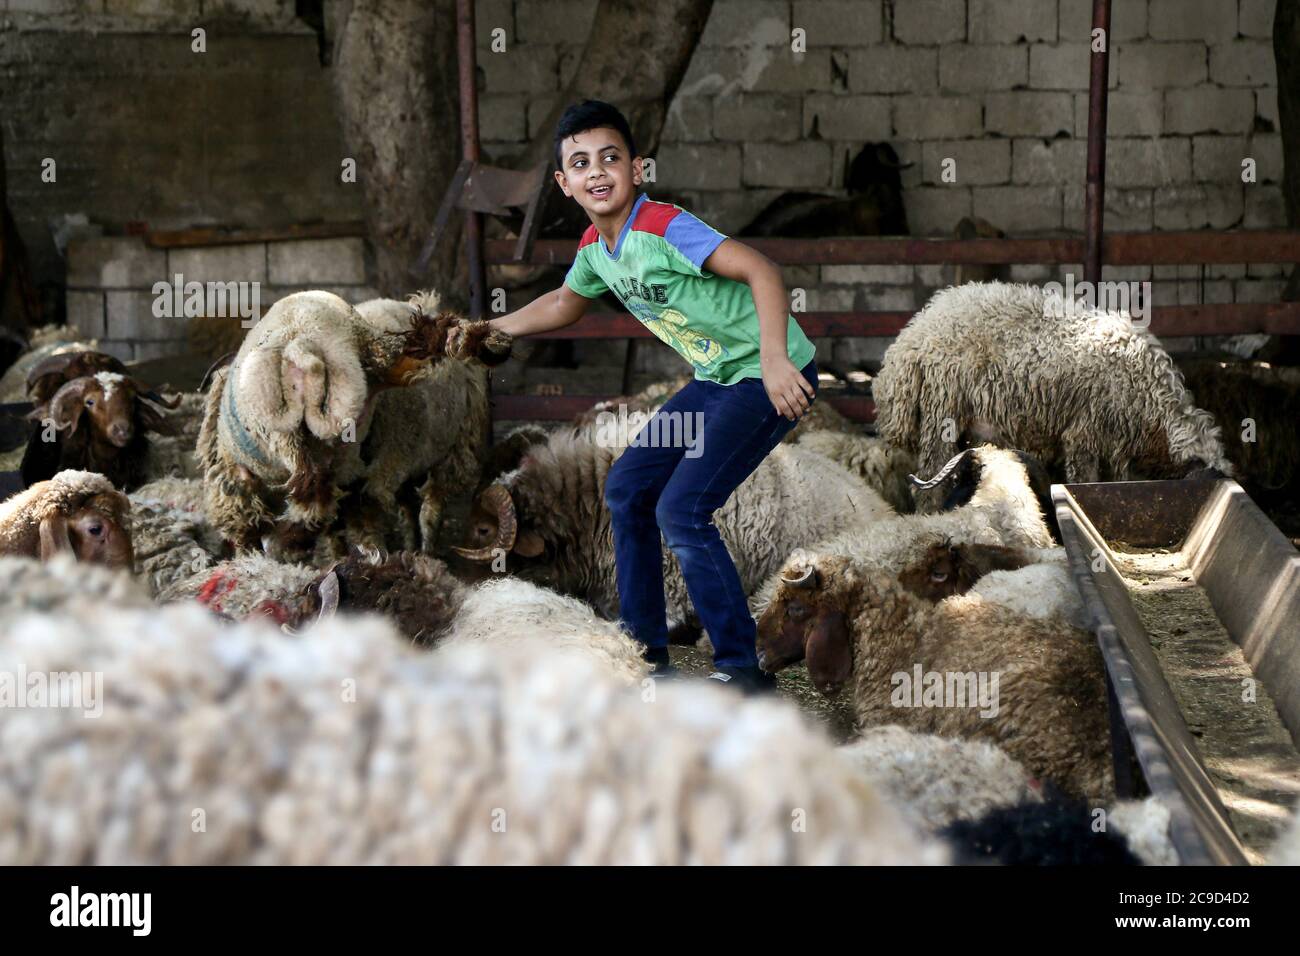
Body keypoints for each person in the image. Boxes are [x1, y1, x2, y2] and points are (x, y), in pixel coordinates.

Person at [469, 99, 818, 694]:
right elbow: (561, 304)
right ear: (564, 182)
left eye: (611, 157)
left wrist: (776, 358)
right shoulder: (594, 251)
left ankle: (742, 667)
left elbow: (760, 269)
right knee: (626, 486)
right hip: (715, 379)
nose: (597, 171)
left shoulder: (663, 227)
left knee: (681, 509)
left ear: (638, 168)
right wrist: (493, 330)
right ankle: (643, 647)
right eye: (581, 163)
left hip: (765, 377)